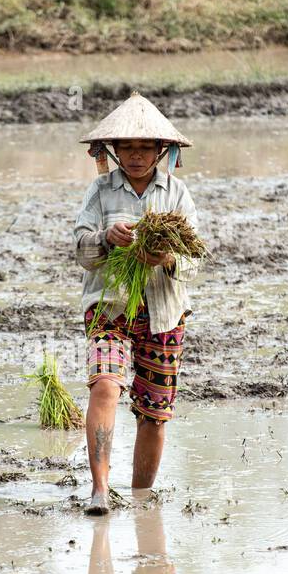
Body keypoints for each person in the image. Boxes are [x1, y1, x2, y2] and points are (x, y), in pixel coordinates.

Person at [72, 92, 204, 515]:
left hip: (164, 314)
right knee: (105, 386)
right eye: (126, 147)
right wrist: (106, 240)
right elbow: (80, 250)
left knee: (154, 412)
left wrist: (166, 258)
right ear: (113, 151)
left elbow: (192, 261)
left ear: (161, 150)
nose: (134, 155)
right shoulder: (100, 192)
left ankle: (140, 498)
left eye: (144, 147)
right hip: (109, 307)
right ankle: (99, 490)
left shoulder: (177, 195)